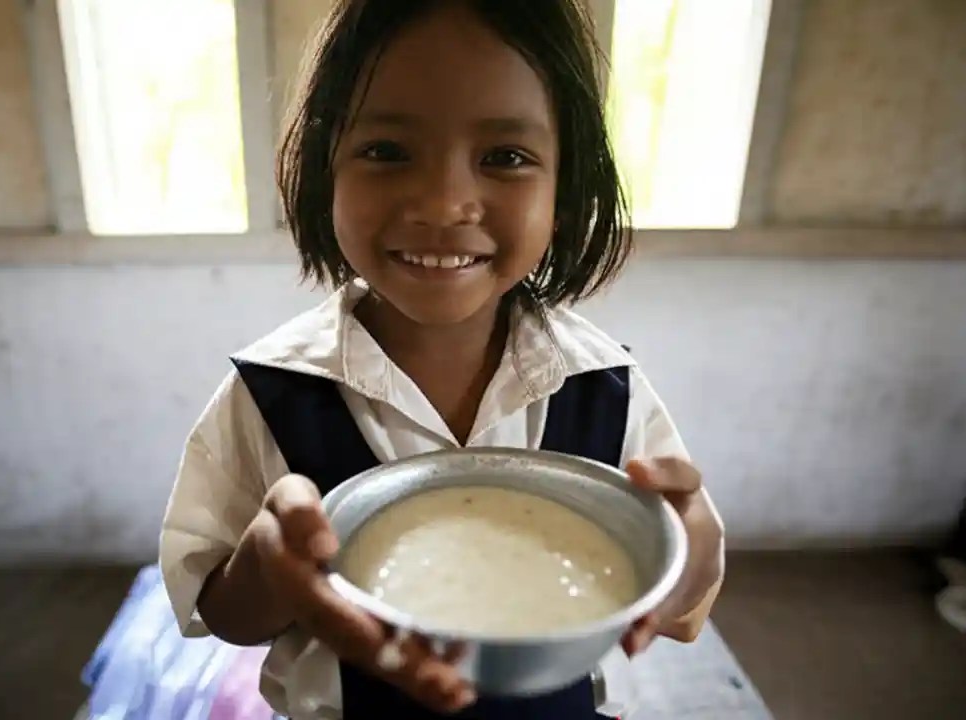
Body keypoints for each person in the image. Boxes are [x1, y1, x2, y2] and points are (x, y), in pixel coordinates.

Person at [159, 1, 725, 718]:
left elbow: (678, 607)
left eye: (506, 158)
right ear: (323, 166)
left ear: (567, 186)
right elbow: (225, 615)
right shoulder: (268, 395)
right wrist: (269, 565)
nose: (443, 201)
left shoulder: (607, 389)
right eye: (388, 150)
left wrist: (692, 543)